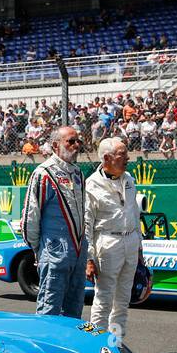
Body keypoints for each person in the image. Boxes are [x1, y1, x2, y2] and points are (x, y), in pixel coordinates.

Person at [20, 126, 87, 318]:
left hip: (78, 251)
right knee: (49, 309)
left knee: (74, 310)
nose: (76, 145)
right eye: (71, 141)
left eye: (78, 141)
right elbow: (31, 216)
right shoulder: (43, 173)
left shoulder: (78, 174)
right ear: (56, 145)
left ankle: (68, 347)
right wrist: (39, 249)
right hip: (54, 252)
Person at [84, 137, 142, 338]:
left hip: (131, 242)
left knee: (123, 300)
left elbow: (135, 214)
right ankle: (96, 346)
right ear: (107, 158)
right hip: (107, 244)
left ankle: (115, 345)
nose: (127, 158)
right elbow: (86, 224)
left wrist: (140, 249)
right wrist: (89, 258)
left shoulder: (129, 179)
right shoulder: (91, 185)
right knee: (104, 299)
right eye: (122, 154)